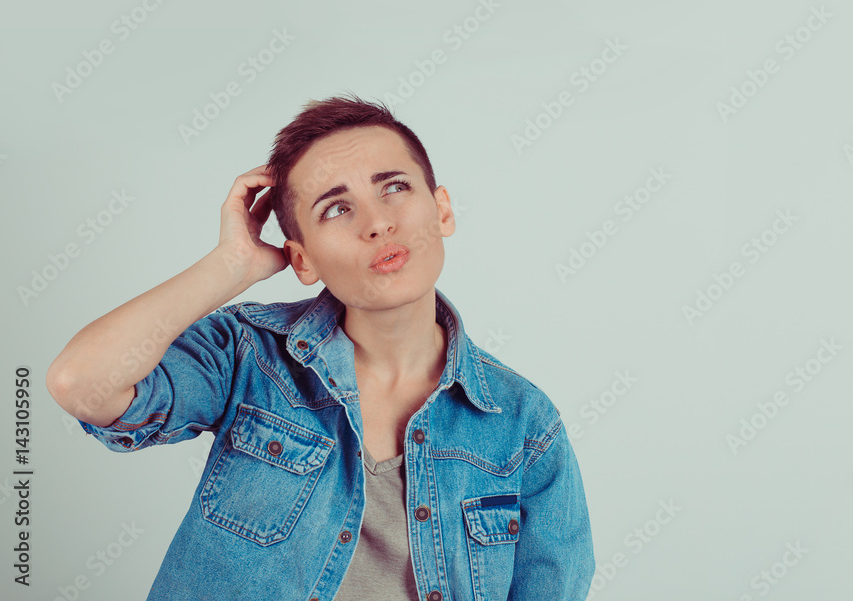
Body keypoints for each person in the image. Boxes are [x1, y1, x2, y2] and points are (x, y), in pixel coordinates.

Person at [46, 93, 597, 601]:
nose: (378, 223)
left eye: (395, 188)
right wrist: (230, 266)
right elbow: (82, 383)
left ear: (442, 210)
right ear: (301, 258)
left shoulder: (523, 422)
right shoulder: (249, 356)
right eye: (337, 208)